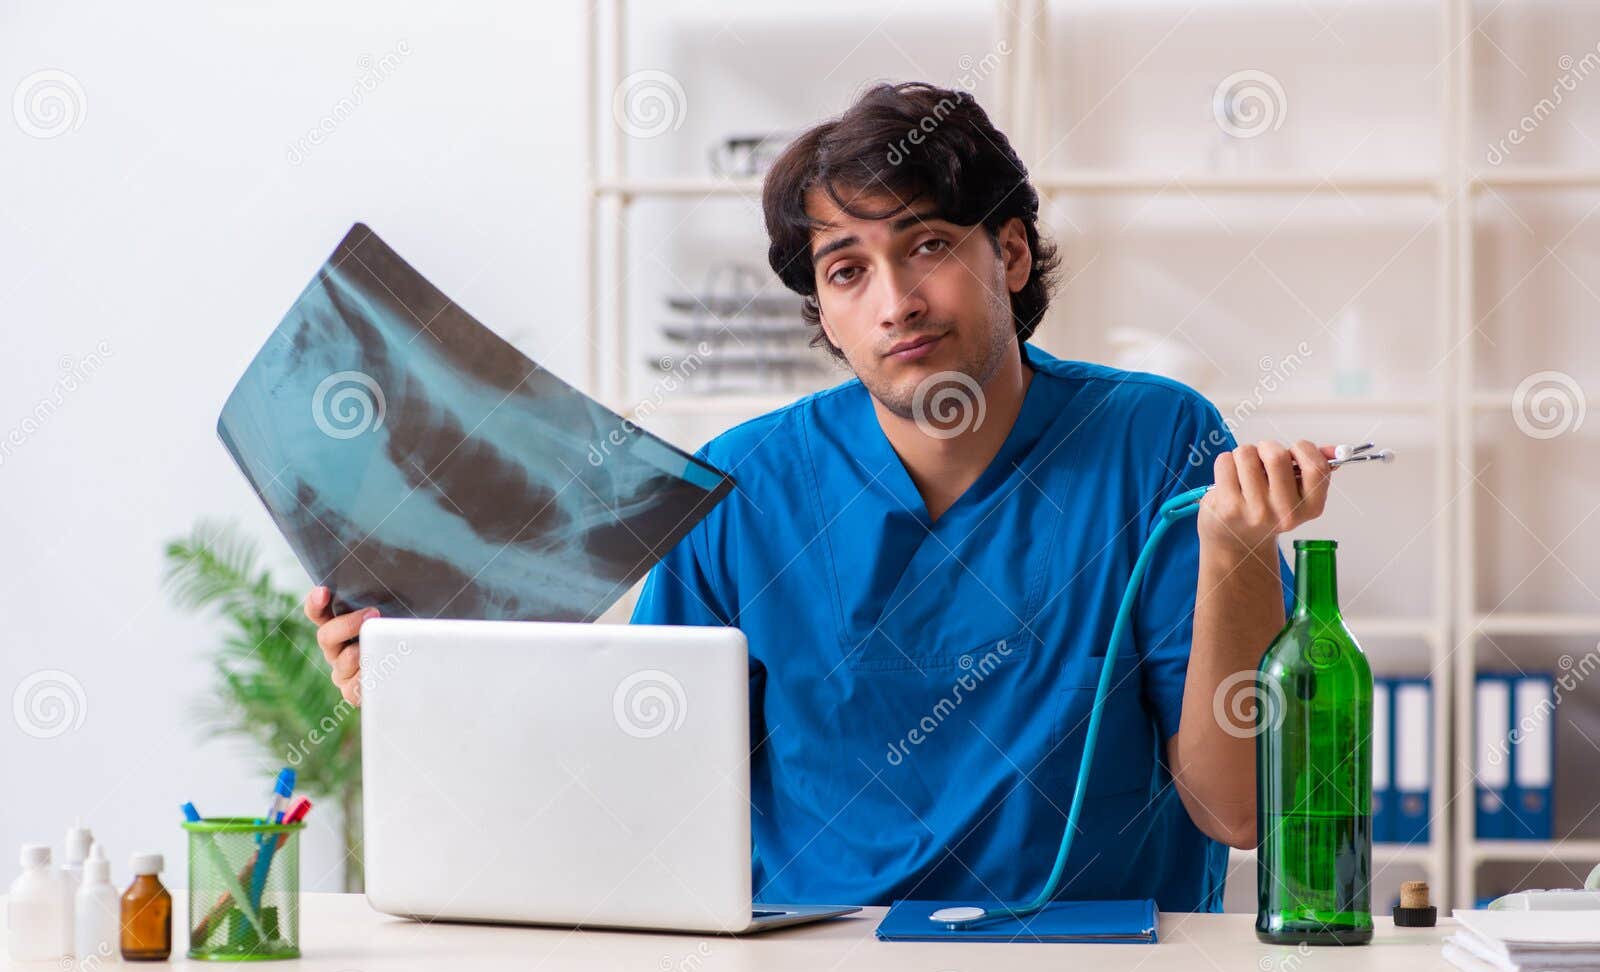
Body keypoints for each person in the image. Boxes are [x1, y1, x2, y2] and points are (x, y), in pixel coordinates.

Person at [308, 81, 1337, 913]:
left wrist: (1238, 552)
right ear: (825, 317)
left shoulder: (1153, 444)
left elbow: (1240, 812)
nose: (895, 302)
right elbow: (634, 812)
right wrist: (426, 684)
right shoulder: (746, 492)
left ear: (1009, 254)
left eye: (927, 246)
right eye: (848, 271)